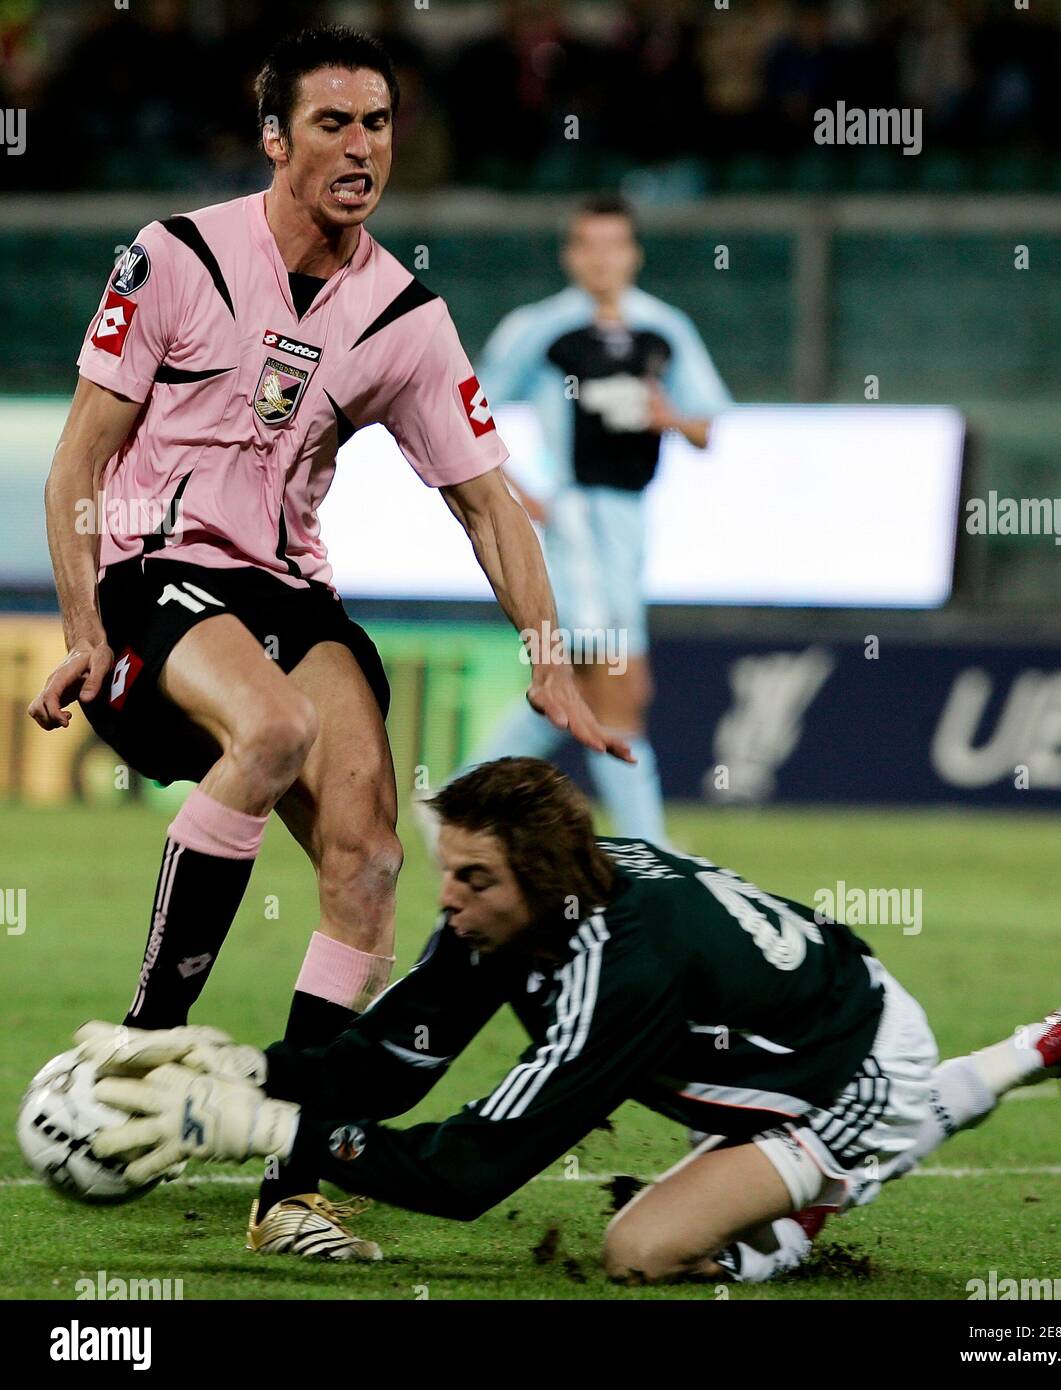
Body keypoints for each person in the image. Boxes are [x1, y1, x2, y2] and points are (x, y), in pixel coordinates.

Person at [26, 24, 628, 1262]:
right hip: (153, 572)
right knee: (279, 727)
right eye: (334, 124)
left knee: (367, 860)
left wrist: (548, 649)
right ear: (273, 138)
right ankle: (144, 1046)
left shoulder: (402, 312)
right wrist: (83, 624)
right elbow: (80, 458)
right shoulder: (176, 253)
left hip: (288, 591)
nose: (362, 148)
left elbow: (485, 500)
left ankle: (290, 1183)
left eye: (379, 124)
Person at [79, 758, 1061, 1280]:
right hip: (752, 1034)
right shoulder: (515, 911)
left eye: (471, 878)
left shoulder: (620, 965)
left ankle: (812, 1207)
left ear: (534, 878)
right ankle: (1038, 1044)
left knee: (640, 1249)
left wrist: (262, 1133)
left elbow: (467, 1172)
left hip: (846, 1066)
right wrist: (232, 1062)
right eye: (450, 871)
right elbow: (386, 1064)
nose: (445, 899)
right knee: (678, 1190)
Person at [434, 194, 733, 847]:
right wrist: (522, 494)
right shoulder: (542, 329)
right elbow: (464, 411)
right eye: (588, 246)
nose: (602, 259)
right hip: (578, 523)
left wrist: (669, 419)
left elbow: (707, 425)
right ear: (571, 255)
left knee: (571, 681)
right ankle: (646, 849)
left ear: (633, 254)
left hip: (629, 523)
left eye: (614, 245)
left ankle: (454, 802)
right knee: (623, 685)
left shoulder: (664, 328)